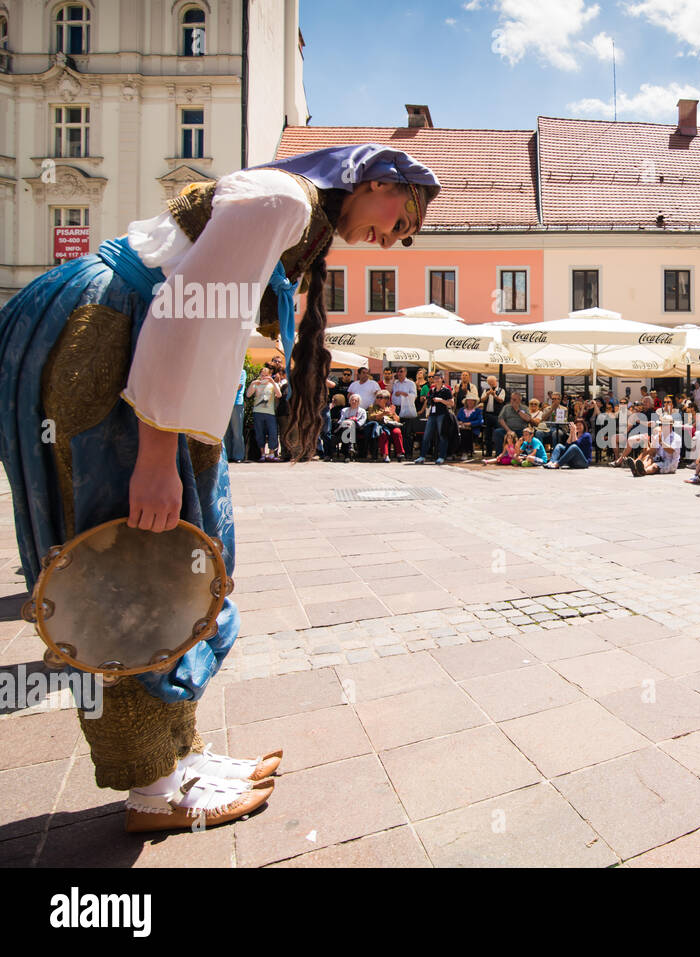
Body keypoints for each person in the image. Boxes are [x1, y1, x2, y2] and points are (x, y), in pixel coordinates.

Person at [0, 142, 438, 830]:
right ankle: (154, 787)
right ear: (375, 178)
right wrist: (155, 456)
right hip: (109, 345)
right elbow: (189, 315)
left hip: (121, 343)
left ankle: (179, 755)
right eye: (397, 217)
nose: (388, 237)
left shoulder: (293, 208)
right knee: (130, 565)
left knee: (178, 559)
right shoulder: (285, 202)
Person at [246, 364, 282, 462]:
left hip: (270, 413)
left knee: (273, 433)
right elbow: (248, 395)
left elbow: (279, 394)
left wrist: (273, 382)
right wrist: (253, 383)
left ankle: (271, 453)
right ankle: (262, 454)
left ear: (269, 375)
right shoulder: (257, 384)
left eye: (266, 375)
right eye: (262, 375)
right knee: (259, 434)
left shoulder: (272, 385)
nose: (263, 377)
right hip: (258, 412)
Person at [415, 372, 453, 463]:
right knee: (426, 435)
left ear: (442, 379)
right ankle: (422, 456)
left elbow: (451, 403)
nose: (435, 380)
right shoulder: (432, 390)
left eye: (437, 378)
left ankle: (441, 456)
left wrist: (441, 400)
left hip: (442, 414)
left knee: (442, 435)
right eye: (434, 378)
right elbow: (428, 402)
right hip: (432, 415)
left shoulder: (446, 390)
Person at [366, 389, 405, 462]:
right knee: (383, 434)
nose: (378, 399)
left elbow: (397, 420)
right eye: (377, 397)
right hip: (380, 425)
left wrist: (393, 413)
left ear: (386, 399)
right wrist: (383, 414)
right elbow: (371, 417)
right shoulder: (372, 407)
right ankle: (385, 455)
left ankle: (399, 453)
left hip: (391, 425)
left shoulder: (389, 408)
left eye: (381, 397)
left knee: (397, 432)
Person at [390, 365, 418, 460]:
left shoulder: (410, 383)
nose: (400, 373)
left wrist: (402, 393)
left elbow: (413, 396)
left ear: (405, 372)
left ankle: (408, 453)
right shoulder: (395, 383)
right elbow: (390, 393)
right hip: (396, 409)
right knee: (397, 432)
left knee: (407, 433)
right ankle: (398, 452)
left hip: (406, 408)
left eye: (401, 371)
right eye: (398, 371)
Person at [480, 375, 506, 456]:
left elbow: (501, 401)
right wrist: (487, 395)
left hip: (497, 415)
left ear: (496, 381)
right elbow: (482, 400)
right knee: (488, 435)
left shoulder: (501, 390)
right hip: (487, 415)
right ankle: (488, 452)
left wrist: (494, 395)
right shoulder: (486, 390)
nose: (491, 383)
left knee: (497, 433)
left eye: (492, 382)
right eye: (489, 382)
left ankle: (498, 452)